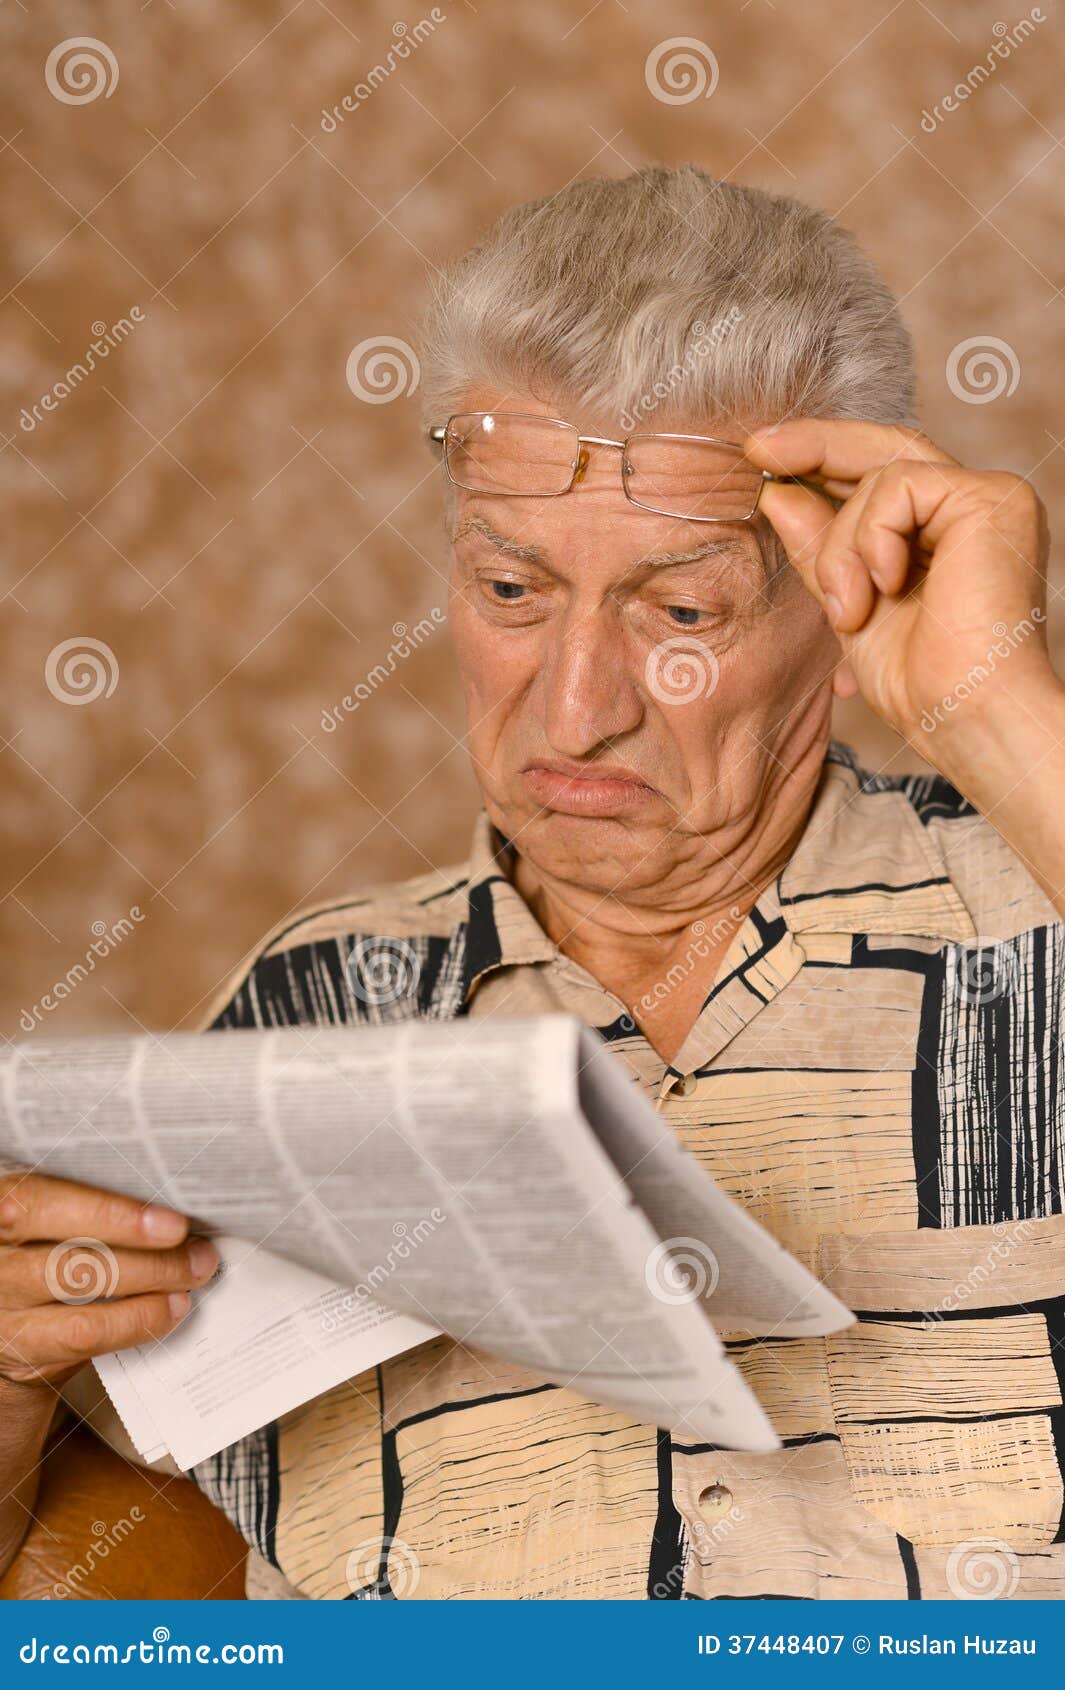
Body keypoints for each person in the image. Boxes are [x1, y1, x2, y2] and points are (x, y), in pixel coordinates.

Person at [3, 165, 1064, 1600]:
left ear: (837, 589)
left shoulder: (1032, 912)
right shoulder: (313, 1009)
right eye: (510, 591)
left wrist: (996, 705)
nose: (572, 712)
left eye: (680, 609)